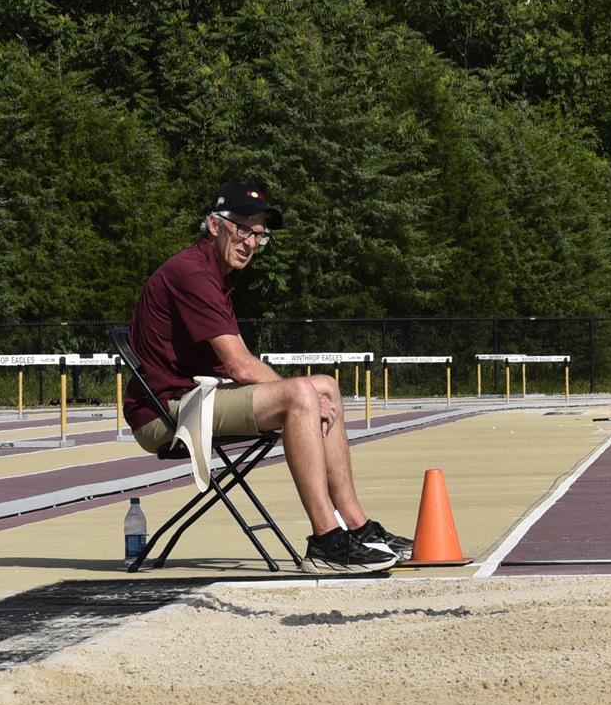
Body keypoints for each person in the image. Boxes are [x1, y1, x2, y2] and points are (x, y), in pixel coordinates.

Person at [124, 183, 409, 573]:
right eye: (242, 228)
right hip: (164, 414)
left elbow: (234, 365)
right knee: (302, 395)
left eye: (259, 234)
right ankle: (326, 540)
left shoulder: (213, 274)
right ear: (213, 225)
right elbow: (240, 366)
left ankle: (357, 529)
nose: (251, 242)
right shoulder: (192, 273)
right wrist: (302, 399)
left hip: (191, 398)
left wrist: (311, 396)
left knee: (326, 385)